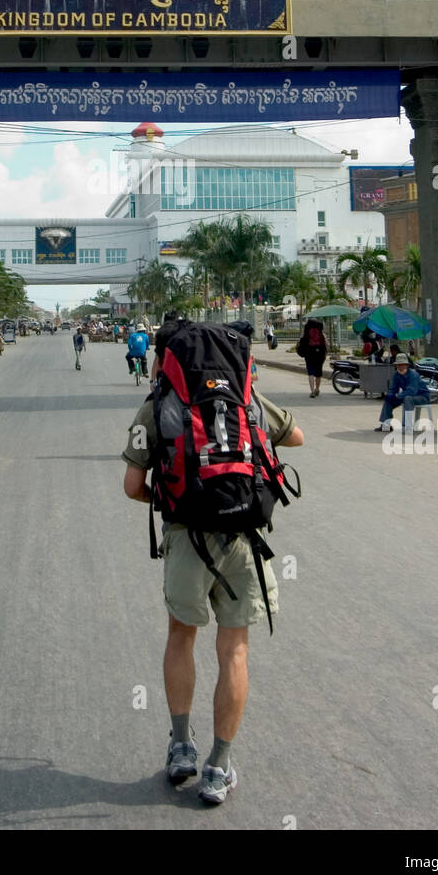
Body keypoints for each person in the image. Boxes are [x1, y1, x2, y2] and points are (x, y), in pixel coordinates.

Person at [122, 321, 304, 805]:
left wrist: (174, 498)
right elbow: (298, 438)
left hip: (186, 536)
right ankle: (219, 768)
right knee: (235, 651)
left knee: (181, 637)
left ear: (165, 360)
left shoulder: (156, 405)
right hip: (244, 537)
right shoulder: (245, 399)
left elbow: (131, 486)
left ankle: (181, 746)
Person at [375, 355, 432, 432]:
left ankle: (407, 426)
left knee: (407, 398)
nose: (400, 367)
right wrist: (391, 395)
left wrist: (398, 395)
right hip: (406, 395)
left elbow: (412, 391)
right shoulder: (396, 375)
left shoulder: (413, 375)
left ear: (407, 365)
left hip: (422, 397)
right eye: (398, 365)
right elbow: (393, 388)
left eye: (403, 364)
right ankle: (386, 424)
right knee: (388, 400)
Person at [296, 317, 326, 397]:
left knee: (311, 373)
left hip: (309, 354)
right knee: (318, 373)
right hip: (319, 354)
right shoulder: (320, 331)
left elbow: (300, 342)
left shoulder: (306, 331)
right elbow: (325, 343)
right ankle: (317, 389)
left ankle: (312, 391)